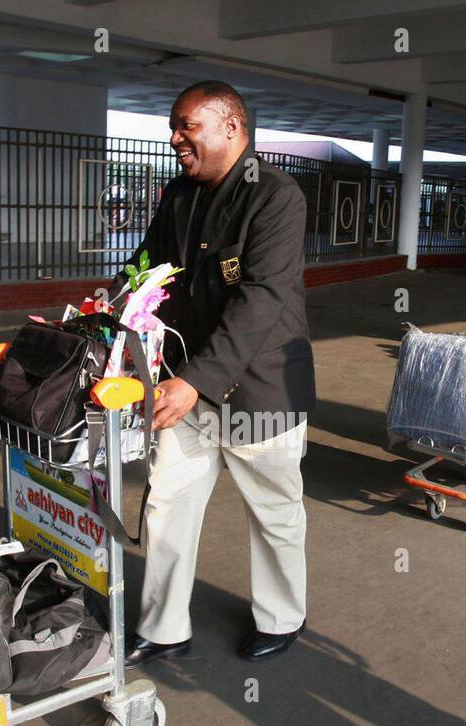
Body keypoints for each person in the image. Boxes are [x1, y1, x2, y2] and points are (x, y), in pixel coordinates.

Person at [108, 81, 313, 666]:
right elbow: (147, 264)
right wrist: (107, 312)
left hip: (260, 389)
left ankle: (282, 617)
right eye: (174, 126)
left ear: (231, 127)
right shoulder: (180, 193)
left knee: (273, 513)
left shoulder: (275, 196)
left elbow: (261, 300)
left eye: (185, 126)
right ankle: (164, 625)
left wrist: (195, 378)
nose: (174, 138)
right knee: (167, 503)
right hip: (184, 386)